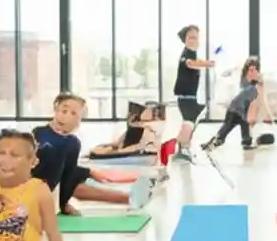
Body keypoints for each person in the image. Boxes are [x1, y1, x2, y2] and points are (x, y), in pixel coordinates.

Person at [0, 93, 156, 217]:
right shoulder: (38, 132)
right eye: (62, 110)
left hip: (35, 191)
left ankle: (129, 197)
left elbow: (66, 176)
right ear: (55, 110)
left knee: (79, 174)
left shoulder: (72, 143)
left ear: (79, 121)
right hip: (17, 185)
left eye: (73, 114)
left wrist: (63, 205)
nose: (65, 116)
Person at [172, 25, 217, 163]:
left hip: (191, 97)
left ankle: (183, 149)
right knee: (189, 123)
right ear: (185, 40)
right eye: (190, 37)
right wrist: (207, 64)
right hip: (185, 97)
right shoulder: (187, 54)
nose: (193, 40)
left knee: (193, 121)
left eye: (196, 37)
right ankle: (180, 150)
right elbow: (190, 64)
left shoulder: (192, 53)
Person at [202, 57, 263, 152]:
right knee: (232, 126)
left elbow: (252, 102)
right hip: (236, 109)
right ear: (247, 71)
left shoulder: (252, 86)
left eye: (255, 70)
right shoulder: (248, 85)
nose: (253, 72)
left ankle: (244, 142)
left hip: (237, 109)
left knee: (237, 125)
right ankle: (218, 141)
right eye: (251, 70)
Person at [89, 101, 162, 160]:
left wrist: (114, 150)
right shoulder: (133, 130)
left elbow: (137, 147)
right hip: (128, 151)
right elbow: (118, 143)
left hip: (136, 153)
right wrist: (107, 147)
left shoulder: (148, 132)